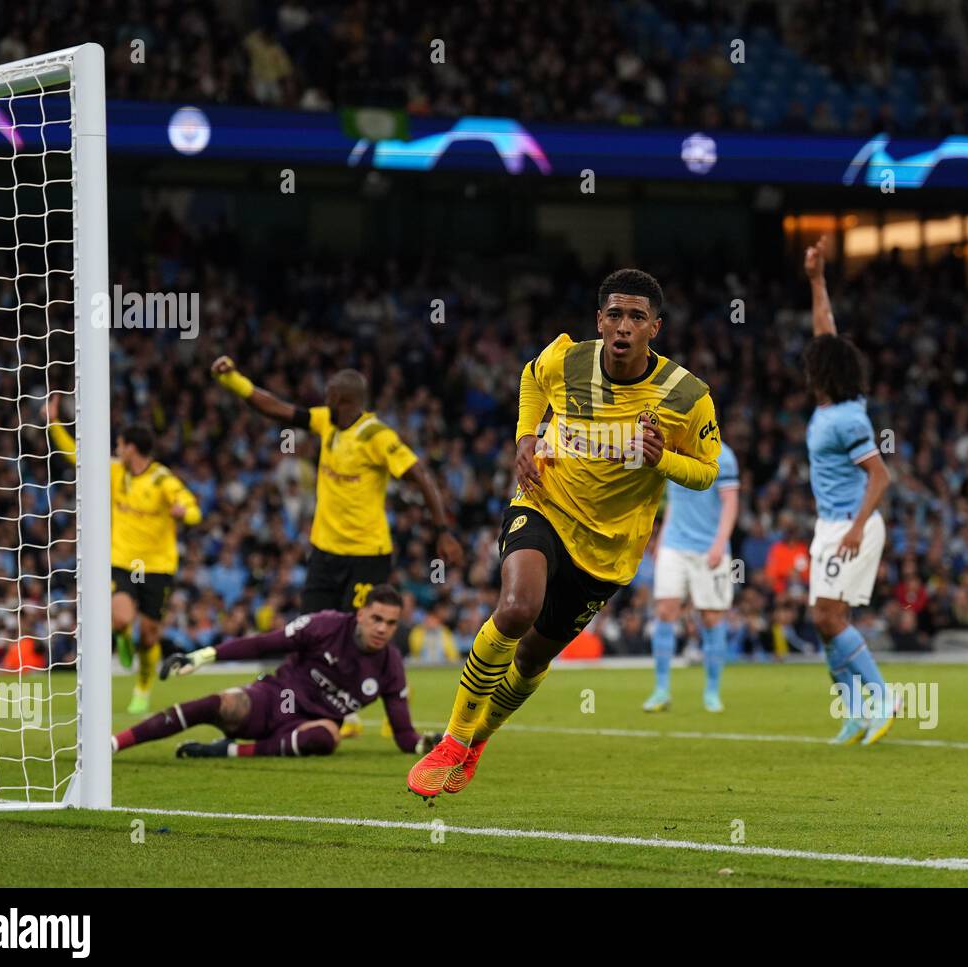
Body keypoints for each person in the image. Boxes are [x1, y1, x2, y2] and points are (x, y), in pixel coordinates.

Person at [407, 268, 721, 797]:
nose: (623, 326)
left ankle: (478, 740)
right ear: (599, 320)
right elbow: (531, 379)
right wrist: (526, 436)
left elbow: (708, 471)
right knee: (516, 607)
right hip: (544, 504)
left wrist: (662, 458)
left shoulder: (686, 396)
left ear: (655, 329)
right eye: (614, 314)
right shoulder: (567, 358)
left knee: (531, 658)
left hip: (607, 551)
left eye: (636, 317)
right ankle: (452, 738)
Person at [210, 357, 462, 738]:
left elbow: (420, 474)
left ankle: (380, 707)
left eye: (328, 395)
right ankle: (308, 707)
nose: (322, 400)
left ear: (344, 399)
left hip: (367, 555)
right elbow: (278, 409)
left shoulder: (377, 436)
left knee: (364, 633)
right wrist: (234, 381)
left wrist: (442, 529)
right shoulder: (327, 421)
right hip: (325, 551)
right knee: (309, 631)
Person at [111, 585, 441, 758]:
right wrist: (204, 656)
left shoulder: (391, 665)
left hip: (306, 726)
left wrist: (424, 745)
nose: (383, 628)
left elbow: (402, 734)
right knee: (219, 704)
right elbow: (262, 644)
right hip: (271, 699)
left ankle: (228, 751)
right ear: (360, 614)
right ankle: (114, 744)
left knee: (326, 737)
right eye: (376, 619)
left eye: (391, 623)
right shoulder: (324, 625)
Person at [47, 396, 202, 714]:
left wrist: (183, 512)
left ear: (132, 447)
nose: (116, 448)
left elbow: (194, 510)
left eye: (120, 443)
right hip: (120, 561)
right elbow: (77, 456)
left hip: (158, 566)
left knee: (149, 636)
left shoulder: (163, 480)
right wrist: (53, 423)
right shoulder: (115, 472)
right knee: (120, 617)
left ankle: (143, 687)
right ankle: (122, 635)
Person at [803, 238, 898, 746]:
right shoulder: (832, 404)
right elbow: (827, 334)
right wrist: (817, 280)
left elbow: (881, 475)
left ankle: (884, 699)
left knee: (827, 615)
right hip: (831, 523)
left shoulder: (846, 418)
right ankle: (856, 712)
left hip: (851, 524)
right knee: (824, 621)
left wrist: (858, 528)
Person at [642, 440, 740, 712]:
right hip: (675, 544)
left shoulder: (724, 456)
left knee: (711, 617)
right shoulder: (674, 451)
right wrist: (661, 540)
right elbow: (675, 500)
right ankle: (661, 690)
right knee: (664, 610)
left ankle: (712, 691)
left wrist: (720, 543)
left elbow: (730, 502)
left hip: (709, 547)